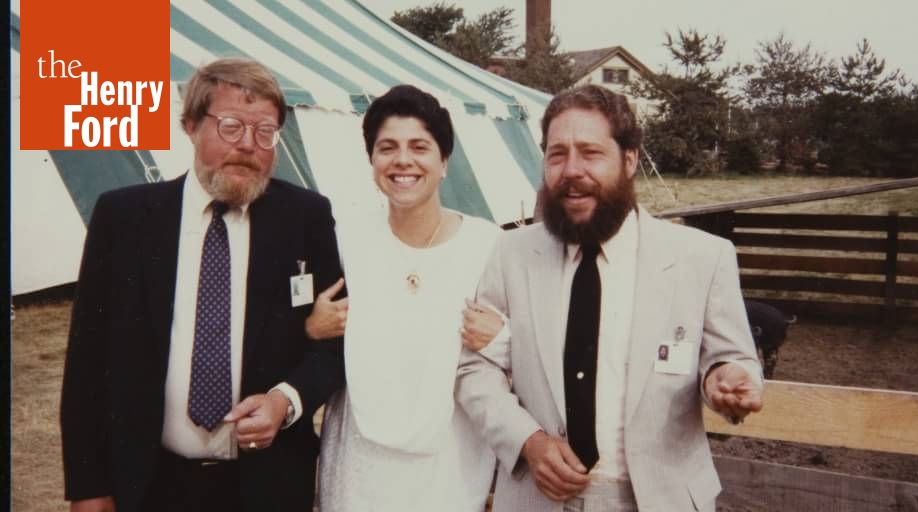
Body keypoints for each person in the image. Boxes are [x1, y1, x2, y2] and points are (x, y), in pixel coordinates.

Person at [456, 84, 765, 512]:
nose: (571, 170)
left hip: (658, 500)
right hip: (540, 499)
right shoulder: (511, 253)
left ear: (630, 160)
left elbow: (732, 359)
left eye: (591, 152)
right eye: (557, 154)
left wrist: (728, 380)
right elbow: (475, 367)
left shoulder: (701, 258)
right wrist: (528, 441)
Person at [60, 57, 345, 512]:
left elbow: (336, 345)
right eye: (230, 126)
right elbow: (87, 364)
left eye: (265, 131)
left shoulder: (305, 218)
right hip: (151, 484)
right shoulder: (125, 218)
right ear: (190, 125)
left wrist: (286, 400)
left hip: (267, 488)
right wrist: (89, 487)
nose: (248, 145)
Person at [308, 84, 504, 511]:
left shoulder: (486, 245)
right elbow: (309, 330)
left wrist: (503, 336)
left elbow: (519, 351)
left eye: (420, 146)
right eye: (387, 147)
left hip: (448, 468)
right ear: (372, 159)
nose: (403, 161)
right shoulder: (346, 237)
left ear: (444, 160)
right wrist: (310, 327)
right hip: (359, 467)